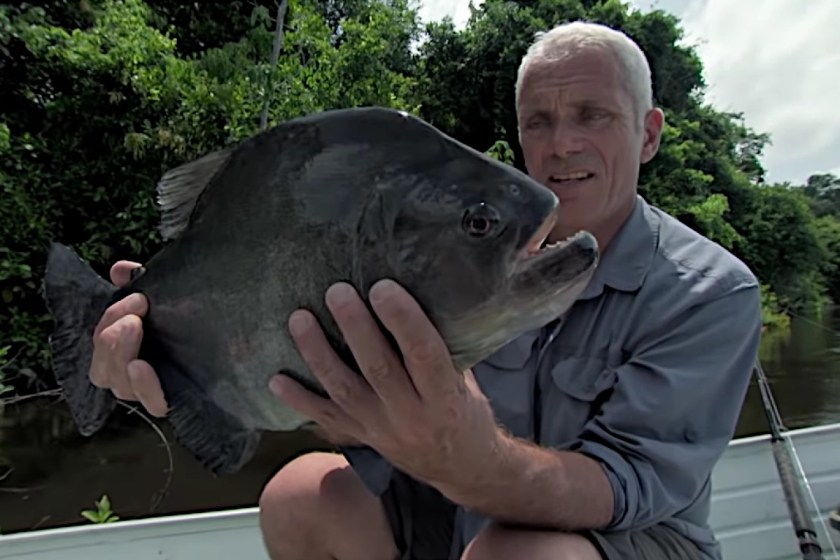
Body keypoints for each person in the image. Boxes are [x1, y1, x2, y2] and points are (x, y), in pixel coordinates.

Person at [88, 20, 763, 560]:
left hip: (628, 538)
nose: (562, 145)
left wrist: (470, 456)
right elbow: (351, 405)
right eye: (539, 121)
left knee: (520, 555)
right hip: (463, 504)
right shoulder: (463, 249)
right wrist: (166, 351)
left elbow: (627, 488)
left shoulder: (713, 293)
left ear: (648, 135)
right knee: (298, 496)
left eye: (593, 116)